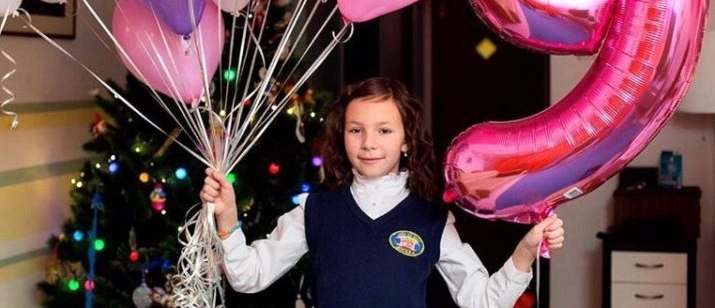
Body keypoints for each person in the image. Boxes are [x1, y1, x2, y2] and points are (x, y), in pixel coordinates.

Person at [200, 77, 565, 307]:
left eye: (384, 131)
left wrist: (524, 253)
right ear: (342, 138)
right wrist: (228, 219)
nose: (368, 143)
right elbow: (248, 278)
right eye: (355, 130)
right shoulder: (315, 210)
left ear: (407, 140)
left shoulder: (432, 220)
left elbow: (481, 301)